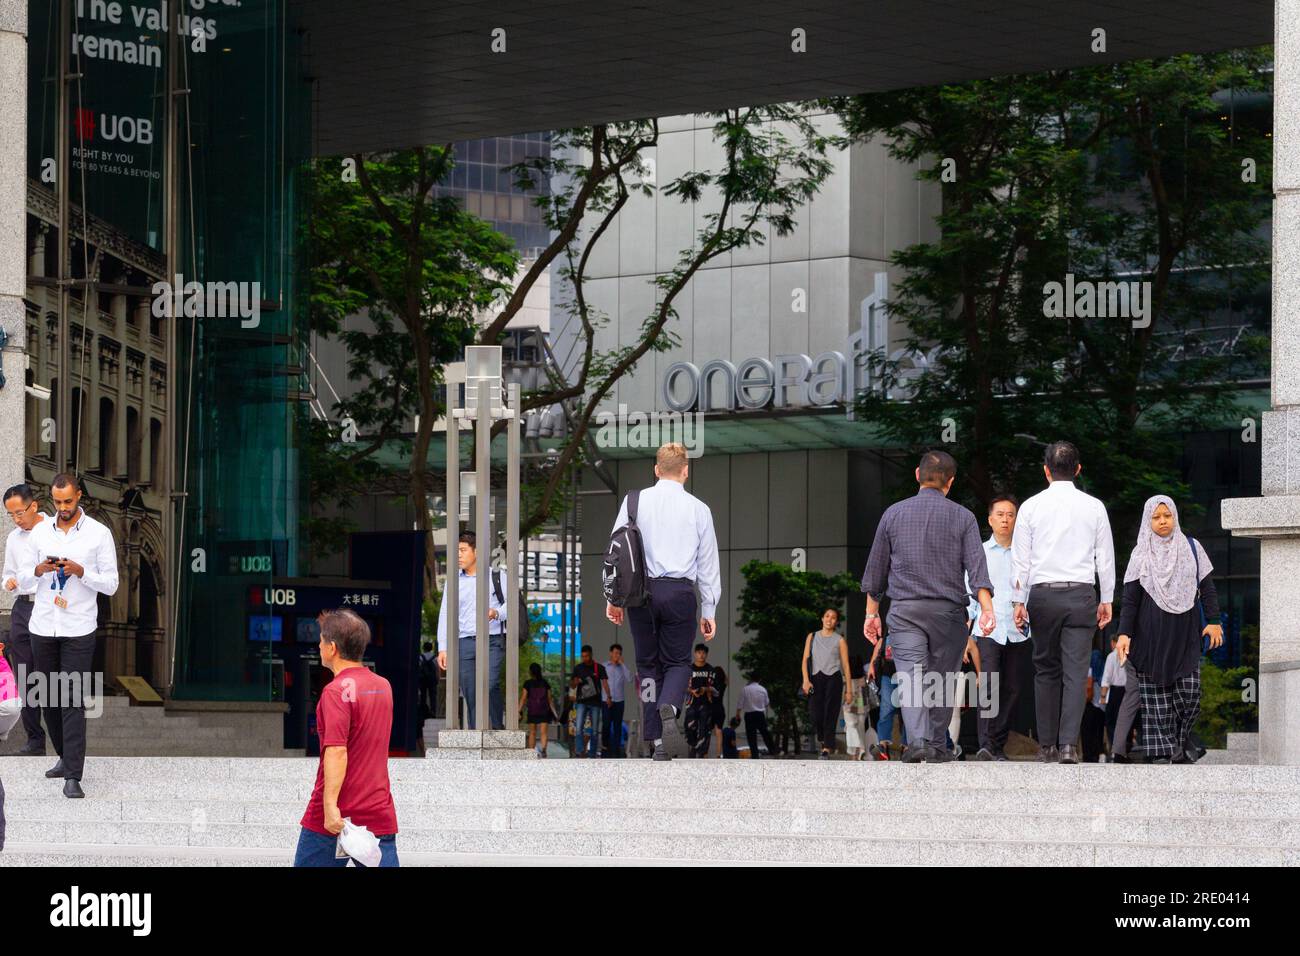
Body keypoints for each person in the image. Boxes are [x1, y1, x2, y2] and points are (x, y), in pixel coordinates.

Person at [861, 451, 996, 763]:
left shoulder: (893, 514)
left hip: (905, 611)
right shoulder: (964, 517)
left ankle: (920, 742)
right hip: (948, 615)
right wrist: (987, 609)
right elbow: (978, 571)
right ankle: (935, 745)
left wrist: (871, 614)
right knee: (942, 679)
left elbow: (876, 571)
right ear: (950, 482)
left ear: (916, 475)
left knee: (911, 677)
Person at [604, 442, 721, 762]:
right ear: (686, 470)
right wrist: (709, 609)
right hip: (680, 593)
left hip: (640, 594)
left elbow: (616, 553)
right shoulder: (699, 509)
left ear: (656, 470)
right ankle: (670, 703)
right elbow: (708, 563)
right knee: (678, 662)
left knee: (647, 665)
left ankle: (656, 740)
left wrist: (613, 599)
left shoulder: (634, 502)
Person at [1010, 441, 1115, 764]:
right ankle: (1069, 745)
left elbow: (1020, 559)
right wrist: (1107, 598)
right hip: (1081, 594)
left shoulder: (1030, 507)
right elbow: (1105, 557)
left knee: (1045, 670)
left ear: (1046, 471)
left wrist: (1017, 600)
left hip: (1042, 595)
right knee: (1075, 671)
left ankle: (1046, 746)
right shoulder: (1094, 506)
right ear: (1078, 469)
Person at [20, 474, 118, 799]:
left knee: (72, 699)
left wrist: (81, 572)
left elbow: (112, 584)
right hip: (43, 625)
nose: (62, 508)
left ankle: (73, 775)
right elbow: (19, 580)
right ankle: (64, 756)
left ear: (79, 497)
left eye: (68, 501)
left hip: (78, 628)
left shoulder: (99, 535)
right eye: (57, 502)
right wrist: (36, 571)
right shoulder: (38, 533)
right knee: (48, 697)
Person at [1115, 496, 1222, 764]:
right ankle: (1165, 751)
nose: (1163, 521)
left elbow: (1207, 588)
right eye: (1156, 517)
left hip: (1185, 634)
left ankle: (1180, 741)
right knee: (1156, 699)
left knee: (1190, 694)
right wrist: (1124, 634)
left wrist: (1214, 620)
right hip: (1149, 637)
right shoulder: (1140, 554)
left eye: (1167, 516)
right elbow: (1130, 599)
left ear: (1174, 516)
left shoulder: (1192, 548)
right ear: (1148, 520)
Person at [295, 609, 399, 867]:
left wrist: (330, 806)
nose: (318, 646)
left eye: (321, 641)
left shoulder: (334, 691)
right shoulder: (383, 686)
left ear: (331, 648)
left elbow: (337, 750)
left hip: (333, 813)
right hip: (378, 808)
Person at [967, 494, 1031, 761]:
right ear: (990, 519)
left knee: (1013, 689)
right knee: (989, 687)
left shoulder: (1025, 554)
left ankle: (998, 744)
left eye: (1011, 515)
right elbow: (969, 592)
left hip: (1018, 631)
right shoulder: (979, 552)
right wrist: (967, 635)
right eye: (1001, 514)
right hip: (988, 631)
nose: (1006, 519)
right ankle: (986, 744)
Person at [435, 531, 509, 730]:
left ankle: (496, 727)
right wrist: (443, 647)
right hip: (464, 642)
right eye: (456, 551)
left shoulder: (497, 576)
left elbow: (512, 606)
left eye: (463, 550)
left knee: (490, 683)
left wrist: (496, 613)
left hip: (492, 640)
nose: (458, 555)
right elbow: (445, 614)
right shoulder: (454, 581)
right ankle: (477, 732)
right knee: (470, 690)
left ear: (476, 551)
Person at [3, 484, 50, 755]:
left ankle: (65, 741)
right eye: (12, 515)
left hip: (47, 607)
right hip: (22, 608)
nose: (17, 520)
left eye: (20, 513)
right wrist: (7, 582)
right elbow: (7, 572)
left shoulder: (53, 532)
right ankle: (35, 740)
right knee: (24, 676)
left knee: (51, 675)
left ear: (34, 506)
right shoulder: (14, 539)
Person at [801, 608, 852, 759]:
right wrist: (805, 680)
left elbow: (846, 666)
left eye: (833, 617)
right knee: (816, 714)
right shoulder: (812, 636)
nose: (830, 619)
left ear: (836, 622)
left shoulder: (840, 640)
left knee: (831, 713)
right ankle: (824, 740)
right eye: (827, 616)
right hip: (815, 678)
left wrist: (849, 690)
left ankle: (827, 748)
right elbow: (804, 659)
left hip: (833, 679)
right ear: (822, 618)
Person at [868, 635, 908, 759]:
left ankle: (907, 746)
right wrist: (871, 666)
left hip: (907, 673)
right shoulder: (888, 630)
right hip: (888, 673)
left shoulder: (911, 627)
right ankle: (883, 745)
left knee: (908, 709)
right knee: (887, 707)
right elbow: (879, 646)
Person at [569, 645, 609, 758]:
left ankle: (592, 753)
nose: (584, 658)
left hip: (595, 702)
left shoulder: (599, 668)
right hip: (581, 701)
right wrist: (575, 682)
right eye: (582, 656)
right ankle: (580, 751)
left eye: (586, 656)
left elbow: (605, 683)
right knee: (579, 727)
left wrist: (609, 697)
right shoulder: (578, 668)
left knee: (595, 730)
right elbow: (571, 686)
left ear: (591, 654)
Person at [685, 644, 719, 758]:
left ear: (707, 654)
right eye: (699, 652)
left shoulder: (711, 670)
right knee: (690, 727)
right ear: (695, 654)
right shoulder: (688, 669)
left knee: (704, 728)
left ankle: (701, 753)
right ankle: (693, 747)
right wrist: (691, 691)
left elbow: (717, 690)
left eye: (703, 653)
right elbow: (681, 687)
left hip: (706, 704)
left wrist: (706, 689)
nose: (701, 655)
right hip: (691, 703)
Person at [601, 643, 634, 758]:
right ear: (610, 653)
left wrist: (623, 664)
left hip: (619, 701)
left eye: (619, 654)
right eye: (615, 653)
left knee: (617, 725)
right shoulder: (604, 666)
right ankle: (605, 746)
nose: (617, 655)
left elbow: (630, 679)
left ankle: (616, 750)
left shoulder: (622, 667)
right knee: (606, 724)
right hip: (606, 700)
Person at [1101, 635, 1130, 759]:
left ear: (1114, 642)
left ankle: (1115, 749)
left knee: (1111, 722)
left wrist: (1103, 695)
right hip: (1128, 691)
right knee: (1126, 720)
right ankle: (1124, 751)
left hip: (1115, 691)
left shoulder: (1111, 656)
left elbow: (1106, 677)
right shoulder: (1129, 655)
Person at [519, 662, 556, 757]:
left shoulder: (528, 683)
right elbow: (549, 699)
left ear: (531, 672)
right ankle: (544, 750)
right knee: (543, 732)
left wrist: (519, 710)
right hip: (544, 711)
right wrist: (555, 713)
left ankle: (531, 752)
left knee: (532, 732)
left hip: (532, 710)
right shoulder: (545, 683)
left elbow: (523, 698)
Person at [736, 675, 778, 758]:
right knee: (765, 733)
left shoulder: (745, 689)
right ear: (760, 679)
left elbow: (740, 704)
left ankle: (755, 755)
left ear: (750, 679)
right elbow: (766, 703)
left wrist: (737, 714)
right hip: (759, 714)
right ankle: (772, 750)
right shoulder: (763, 689)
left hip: (749, 715)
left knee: (751, 736)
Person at [1081, 648, 1107, 762]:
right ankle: (1098, 752)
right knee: (1098, 729)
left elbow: (1089, 683)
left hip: (1089, 701)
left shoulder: (1088, 659)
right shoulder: (1100, 661)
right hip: (1100, 702)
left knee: (1087, 730)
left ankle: (1089, 755)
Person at [843, 654, 869, 760]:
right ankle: (861, 749)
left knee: (850, 727)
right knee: (861, 728)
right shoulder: (864, 677)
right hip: (861, 705)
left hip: (849, 705)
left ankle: (853, 753)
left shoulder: (845, 678)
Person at [709, 665, 728, 758]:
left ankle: (705, 753)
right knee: (719, 731)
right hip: (720, 708)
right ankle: (718, 753)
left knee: (707, 730)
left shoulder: (711, 685)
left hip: (711, 708)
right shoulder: (723, 684)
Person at [417, 639, 438, 722]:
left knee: (423, 696)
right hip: (432, 679)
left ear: (424, 648)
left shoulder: (421, 657)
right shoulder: (435, 657)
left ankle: (423, 712)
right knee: (433, 696)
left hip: (423, 679)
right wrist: (438, 678)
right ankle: (433, 712)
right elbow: (437, 670)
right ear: (431, 648)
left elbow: (418, 668)